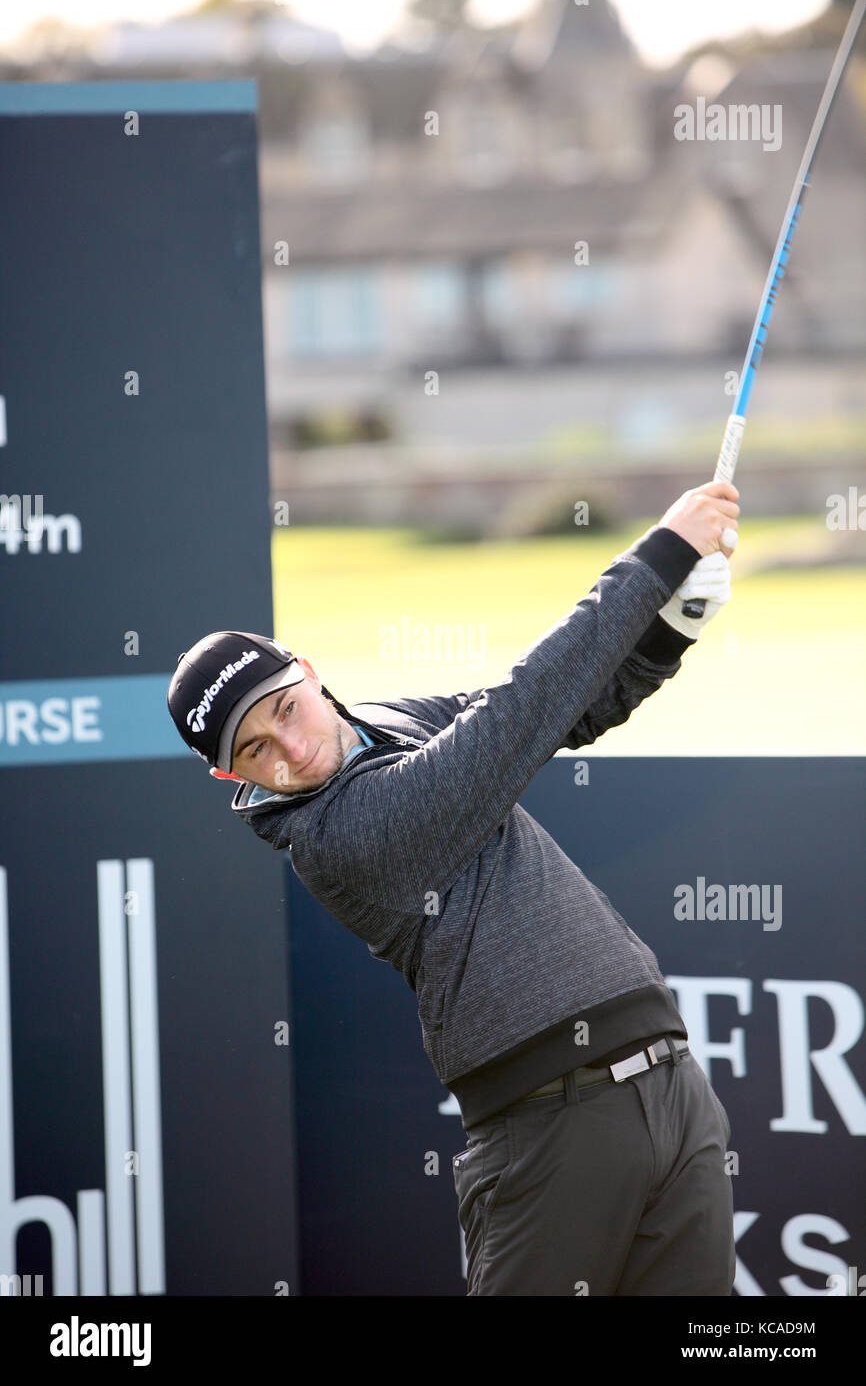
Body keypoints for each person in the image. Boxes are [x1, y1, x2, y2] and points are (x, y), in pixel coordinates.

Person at [166, 479, 740, 1296]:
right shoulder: (336, 838)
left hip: (672, 1087)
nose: (289, 752)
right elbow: (517, 715)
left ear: (309, 674)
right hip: (550, 1123)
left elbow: (566, 712)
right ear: (233, 774)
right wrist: (658, 556)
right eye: (256, 751)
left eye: (286, 712)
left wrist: (668, 632)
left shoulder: (388, 723)